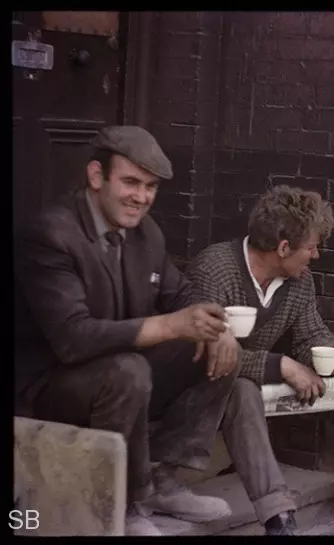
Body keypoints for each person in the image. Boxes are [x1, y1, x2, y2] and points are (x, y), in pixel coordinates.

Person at [14, 126, 239, 536]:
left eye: (150, 186)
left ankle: (164, 482)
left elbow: (179, 292)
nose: (142, 196)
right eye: (131, 182)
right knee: (129, 370)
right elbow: (73, 338)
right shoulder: (51, 232)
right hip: (47, 383)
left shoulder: (146, 232)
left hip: (115, 368)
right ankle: (125, 502)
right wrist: (171, 325)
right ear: (97, 176)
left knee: (221, 350)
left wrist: (215, 324)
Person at [185, 185, 334, 536]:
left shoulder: (299, 280)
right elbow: (206, 353)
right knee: (241, 389)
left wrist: (328, 352)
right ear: (283, 247)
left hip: (263, 376)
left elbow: (309, 333)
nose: (316, 255)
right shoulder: (214, 270)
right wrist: (285, 366)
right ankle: (280, 520)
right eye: (311, 246)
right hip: (206, 386)